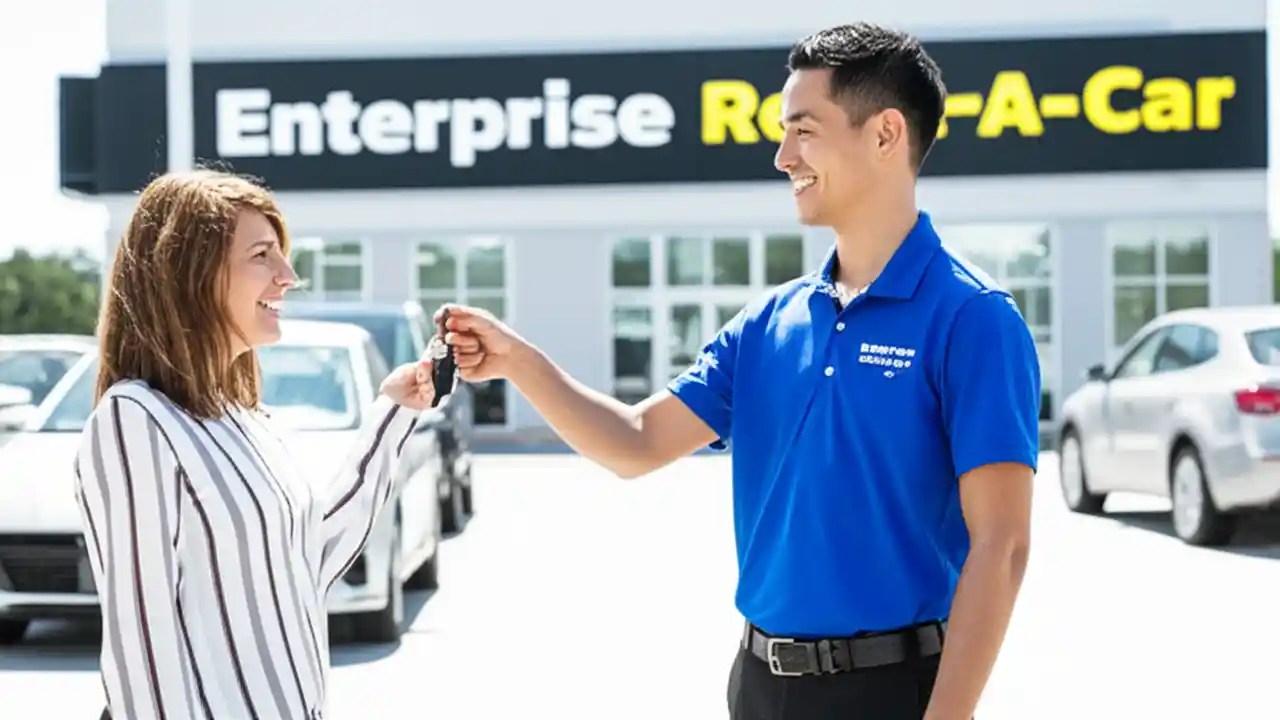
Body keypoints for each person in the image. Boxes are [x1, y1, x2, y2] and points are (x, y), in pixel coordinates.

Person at [435, 21, 1040, 720]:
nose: (783, 157)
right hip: (759, 685)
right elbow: (635, 441)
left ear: (884, 135)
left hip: (894, 693)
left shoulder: (973, 319)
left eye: (803, 130)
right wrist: (519, 361)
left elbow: (1003, 545)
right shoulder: (768, 324)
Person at [75, 169, 437, 720]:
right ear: (188, 273)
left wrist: (394, 413)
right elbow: (142, 647)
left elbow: (308, 561)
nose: (288, 276)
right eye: (262, 255)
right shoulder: (135, 419)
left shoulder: (246, 420)